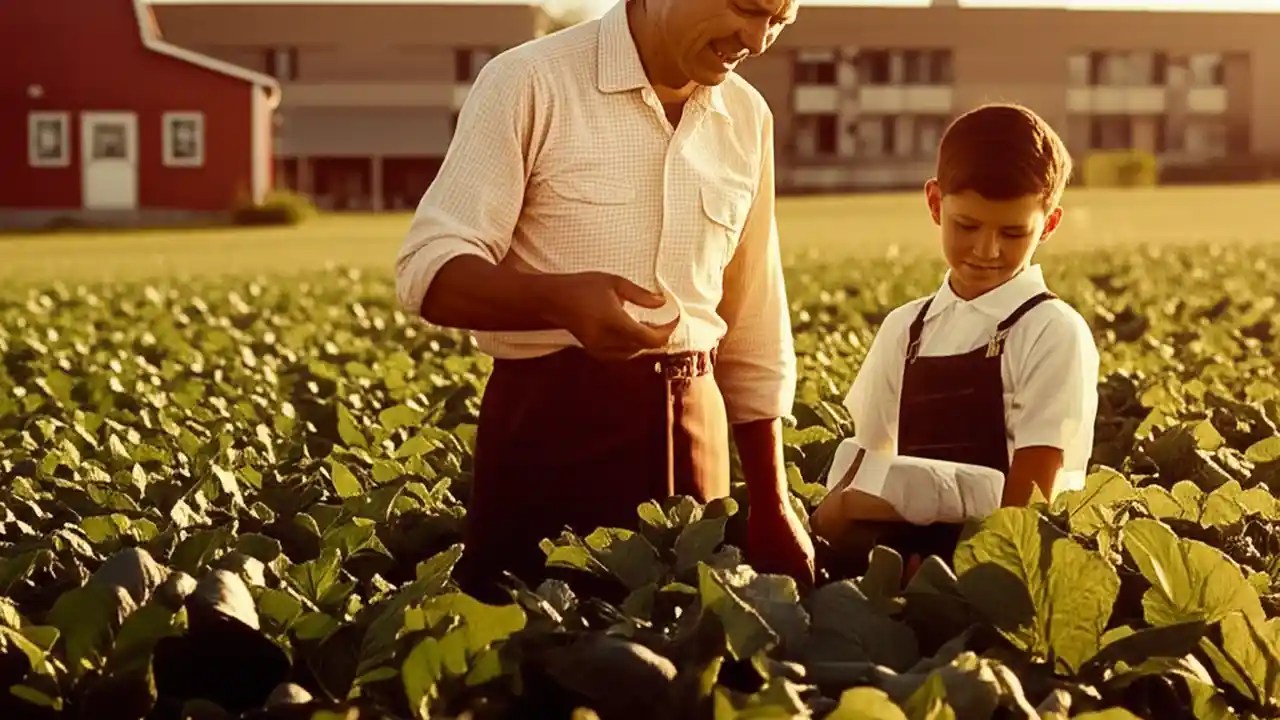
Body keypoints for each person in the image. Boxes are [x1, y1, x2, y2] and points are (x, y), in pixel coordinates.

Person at [393, 0, 814, 601]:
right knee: (546, 665)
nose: (758, 38)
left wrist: (773, 504)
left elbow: (754, 328)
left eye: (779, 20)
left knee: (690, 674)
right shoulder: (530, 81)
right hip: (548, 437)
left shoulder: (748, 116)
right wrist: (560, 301)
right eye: (747, 7)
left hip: (700, 442)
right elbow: (427, 270)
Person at [809, 103, 1100, 579]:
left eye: (1013, 232)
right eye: (966, 226)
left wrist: (966, 575)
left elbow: (1033, 498)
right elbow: (867, 457)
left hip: (1005, 574)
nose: (987, 250)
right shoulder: (906, 328)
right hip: (894, 564)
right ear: (934, 203)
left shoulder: (1053, 330)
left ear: (1048, 225)